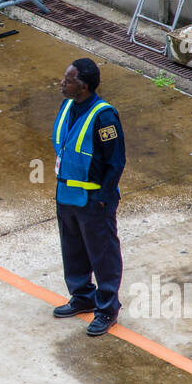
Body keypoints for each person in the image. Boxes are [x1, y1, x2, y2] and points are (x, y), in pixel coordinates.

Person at [51, 58, 126, 337]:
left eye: (68, 80)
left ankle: (107, 308)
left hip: (93, 198)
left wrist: (104, 198)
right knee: (73, 249)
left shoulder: (104, 117)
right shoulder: (68, 105)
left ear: (82, 86)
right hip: (66, 193)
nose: (62, 83)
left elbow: (116, 162)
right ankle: (82, 296)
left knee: (102, 253)